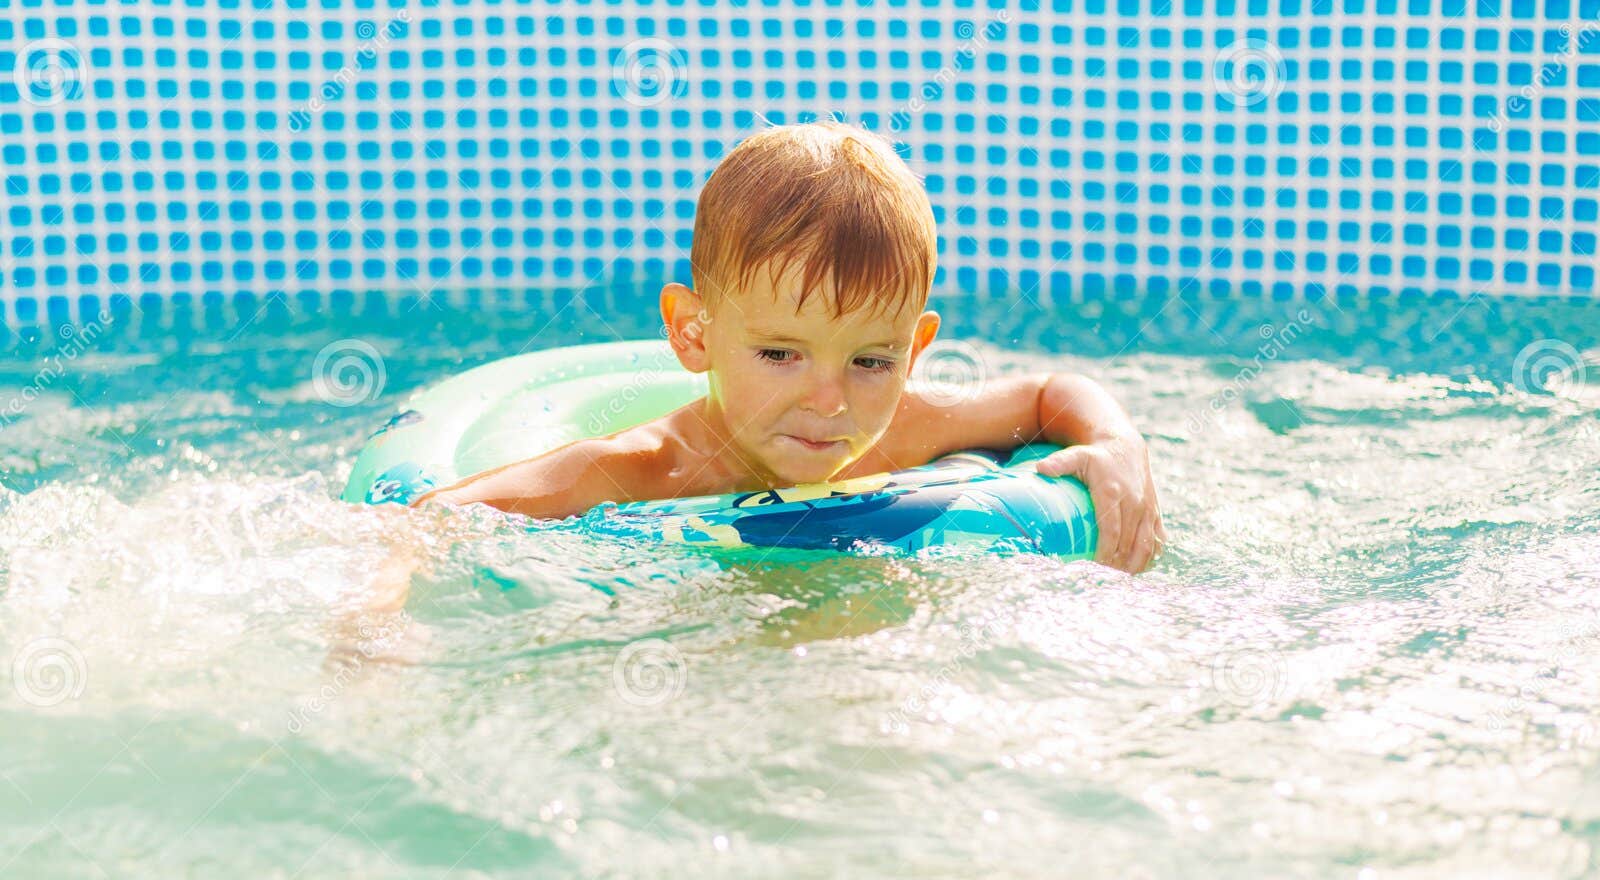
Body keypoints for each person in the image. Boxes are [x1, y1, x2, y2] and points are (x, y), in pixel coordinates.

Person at [414, 121, 1165, 573]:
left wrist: (1115, 442)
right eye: (781, 353)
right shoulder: (643, 469)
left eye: (871, 360)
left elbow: (1048, 394)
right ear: (693, 332)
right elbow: (425, 519)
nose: (829, 399)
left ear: (915, 349)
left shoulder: (902, 426)